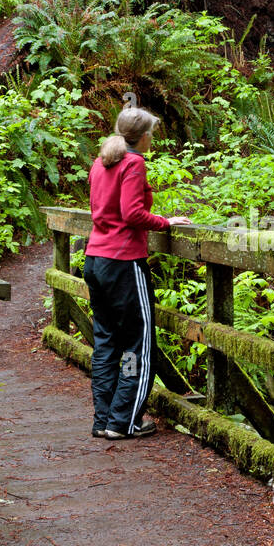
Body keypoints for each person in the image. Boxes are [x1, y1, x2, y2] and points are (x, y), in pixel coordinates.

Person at [83, 107, 190, 440]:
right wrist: (165, 222)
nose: (152, 140)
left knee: (106, 343)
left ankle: (104, 420)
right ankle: (124, 421)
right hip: (124, 264)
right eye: (152, 134)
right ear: (143, 136)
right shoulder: (133, 163)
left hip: (96, 260)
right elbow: (132, 213)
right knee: (137, 346)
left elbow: (104, 210)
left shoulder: (101, 163)